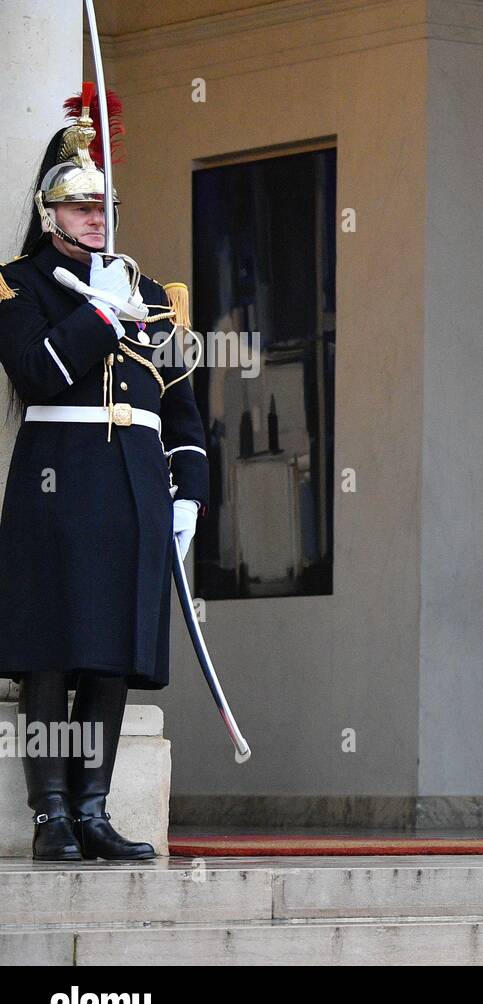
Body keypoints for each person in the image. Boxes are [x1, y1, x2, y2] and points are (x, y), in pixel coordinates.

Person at [0, 85, 209, 861]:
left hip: (134, 489)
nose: (95, 219)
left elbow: (182, 411)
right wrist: (97, 317)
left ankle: (93, 806)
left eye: (103, 207)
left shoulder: (155, 296)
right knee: (54, 648)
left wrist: (189, 494)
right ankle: (51, 812)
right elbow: (38, 375)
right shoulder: (19, 286)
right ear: (50, 214)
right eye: (80, 207)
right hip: (59, 485)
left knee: (111, 651)